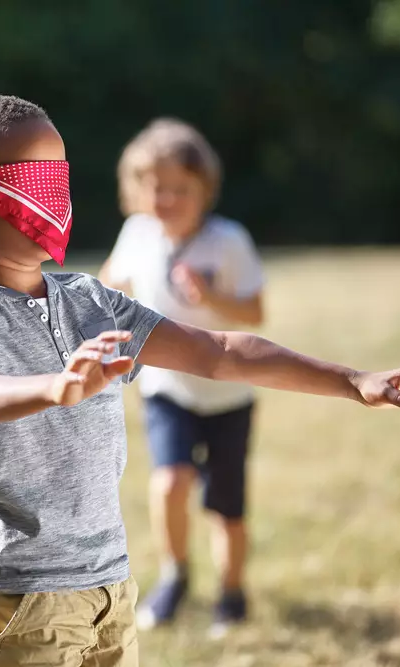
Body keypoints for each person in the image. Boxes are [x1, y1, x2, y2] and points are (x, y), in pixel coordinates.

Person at [0, 95, 400, 667]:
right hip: (15, 599)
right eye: (30, 179)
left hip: (107, 588)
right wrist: (56, 387)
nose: (52, 196)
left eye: (58, 176)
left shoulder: (91, 301)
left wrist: (354, 380)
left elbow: (218, 351)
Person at [99, 118, 264, 634]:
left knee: (226, 508)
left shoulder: (228, 241)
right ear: (136, 190)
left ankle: (232, 594)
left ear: (205, 190)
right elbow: (109, 285)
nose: (167, 199)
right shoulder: (137, 234)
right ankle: (174, 576)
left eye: (180, 189)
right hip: (166, 388)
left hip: (228, 396)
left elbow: (255, 314)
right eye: (156, 188)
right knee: (169, 482)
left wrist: (211, 298)